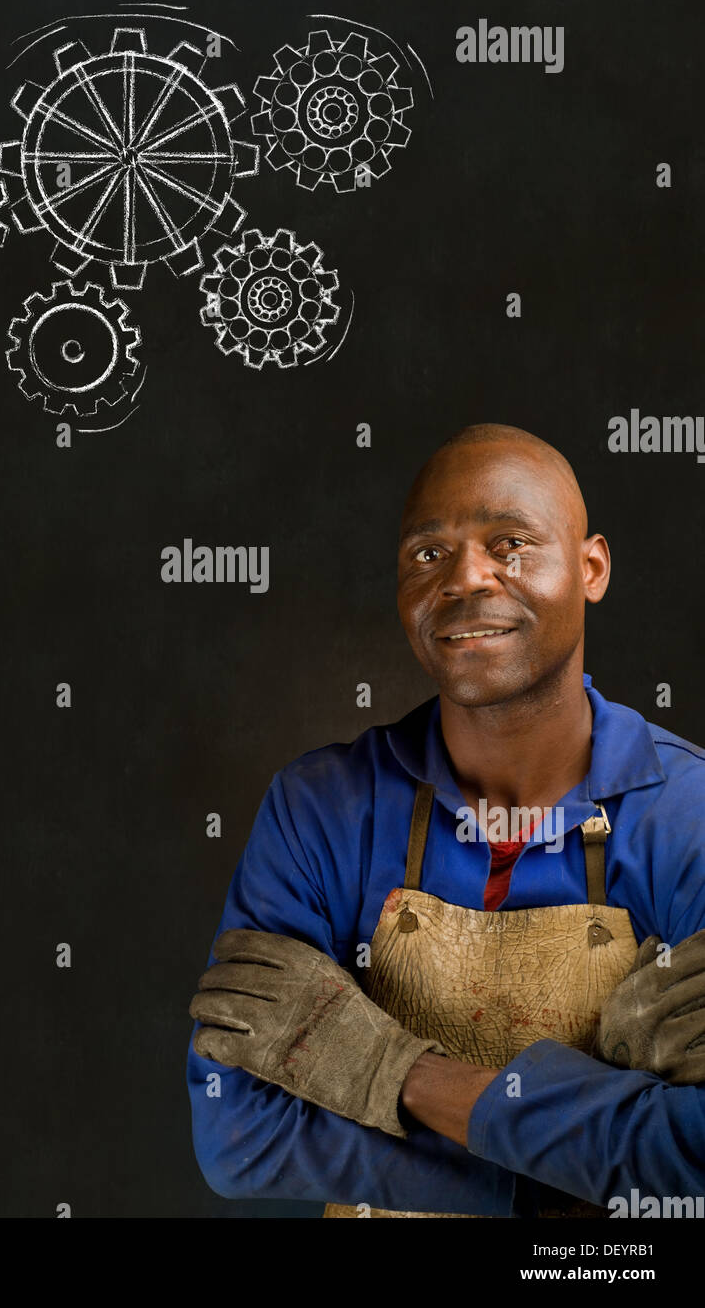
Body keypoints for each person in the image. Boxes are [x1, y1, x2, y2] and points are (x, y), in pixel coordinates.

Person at [186, 423, 705, 1217]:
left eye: (511, 543)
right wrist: (592, 1168)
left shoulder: (687, 814)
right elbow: (237, 1135)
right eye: (427, 554)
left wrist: (388, 1070)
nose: (465, 577)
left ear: (591, 566)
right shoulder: (319, 808)